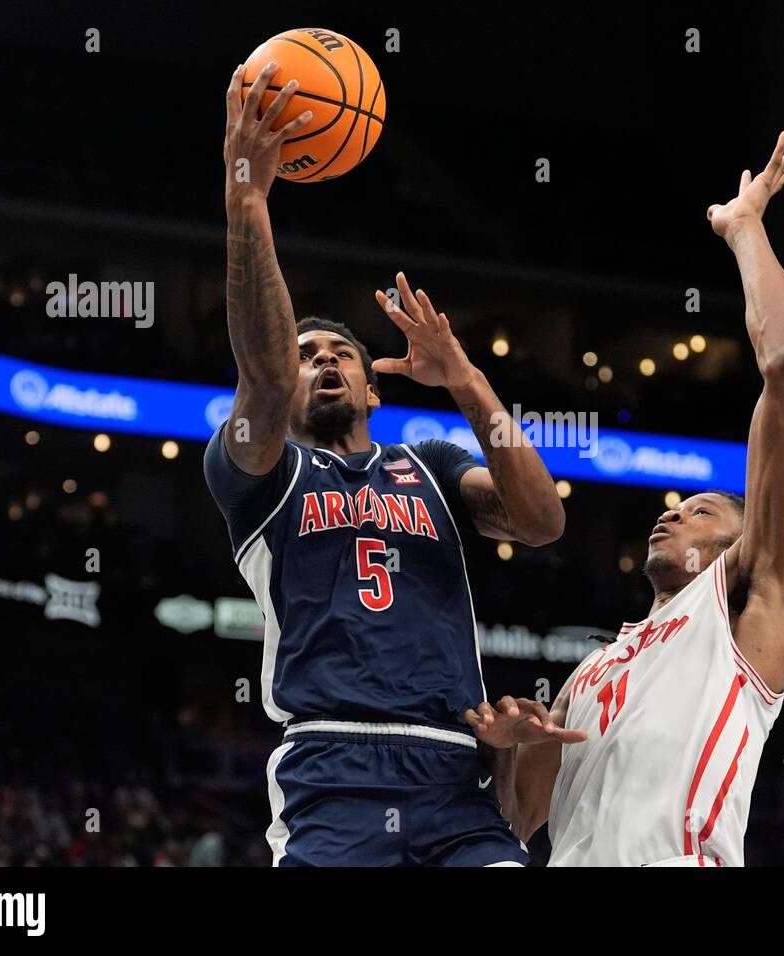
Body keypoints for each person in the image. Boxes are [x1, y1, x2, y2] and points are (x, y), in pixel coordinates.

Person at [465, 132, 784, 867]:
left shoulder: (749, 614)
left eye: (701, 510)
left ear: (742, 544)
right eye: (674, 505)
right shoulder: (591, 671)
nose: (671, 512)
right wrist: (512, 750)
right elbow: (518, 823)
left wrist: (745, 230)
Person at [205, 60, 565, 866]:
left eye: (342, 353)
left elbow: (543, 522)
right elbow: (259, 375)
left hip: (456, 770)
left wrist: (468, 382)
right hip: (332, 768)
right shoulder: (256, 476)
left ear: (373, 389)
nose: (324, 361)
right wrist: (248, 202)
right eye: (307, 356)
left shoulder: (431, 465)